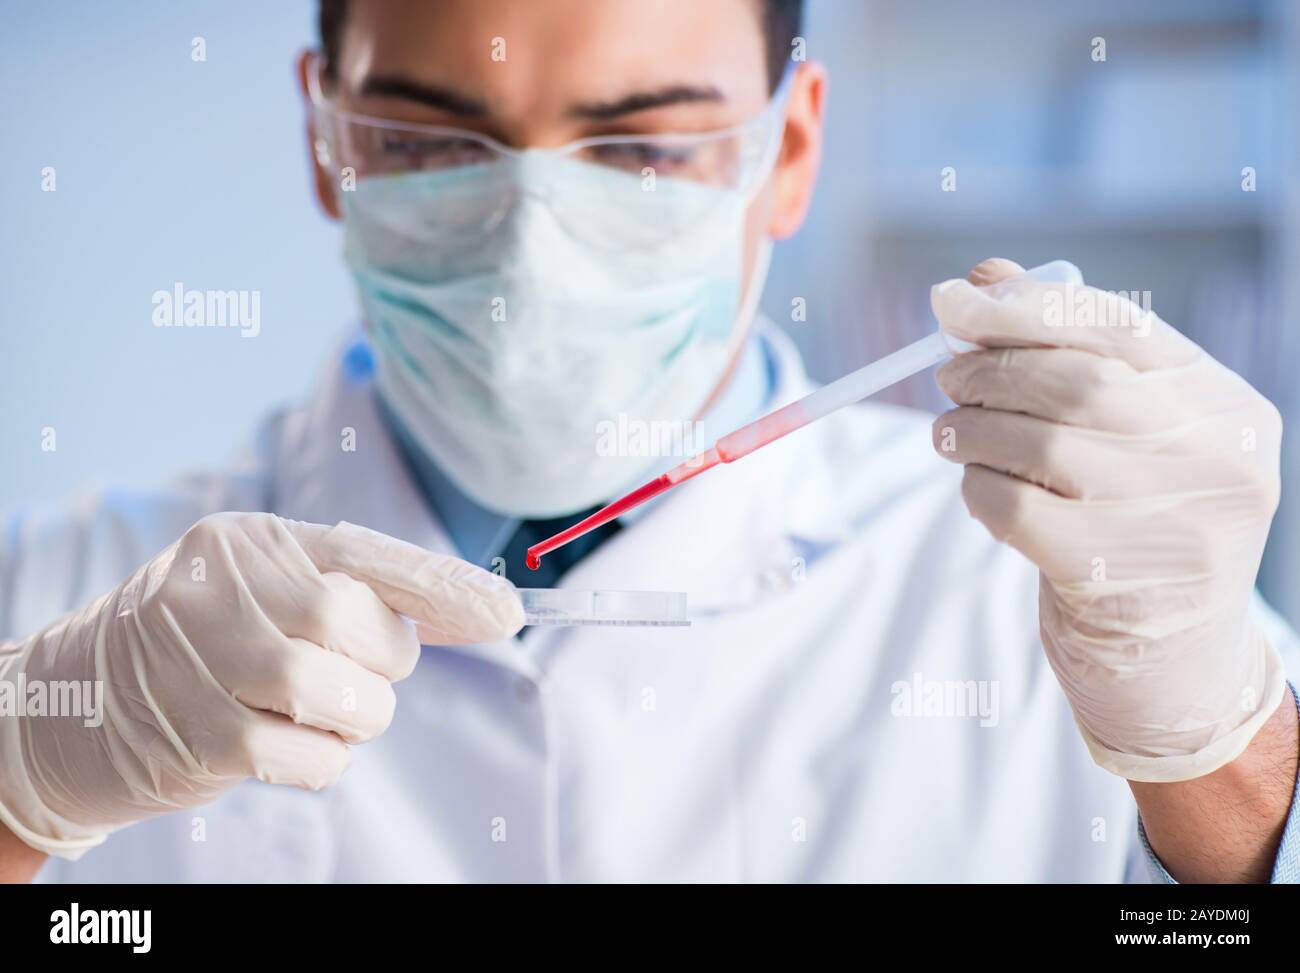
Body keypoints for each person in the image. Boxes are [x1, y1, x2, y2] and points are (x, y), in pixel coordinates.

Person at [1, 0, 1296, 884]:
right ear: (323, 137)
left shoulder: (1054, 608)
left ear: (789, 148)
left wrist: (1213, 756)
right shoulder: (76, 616)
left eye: (642, 150)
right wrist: (22, 784)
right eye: (426, 143)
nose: (527, 248)